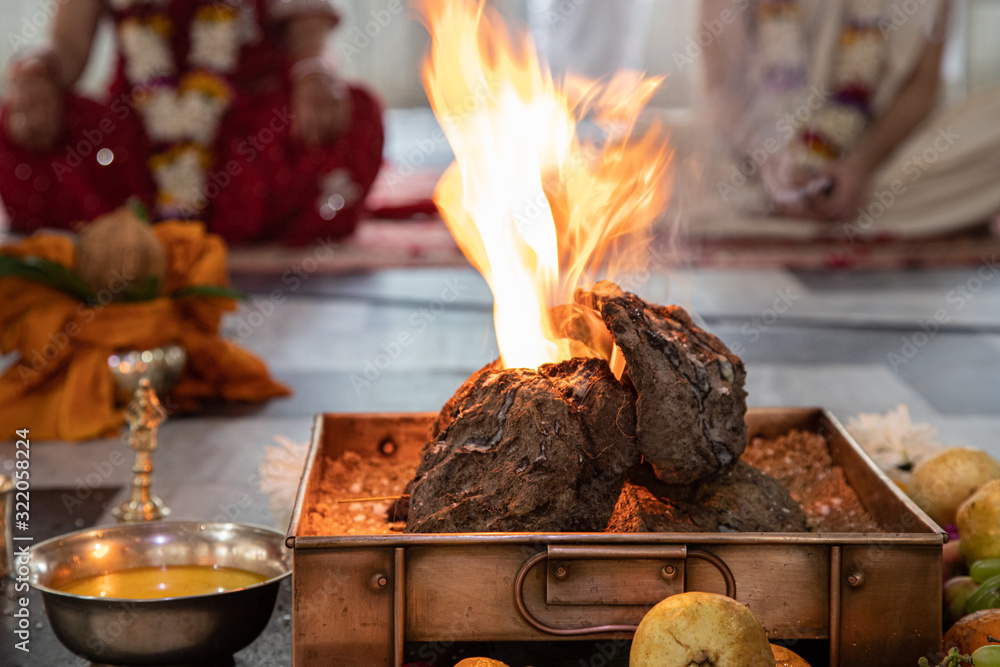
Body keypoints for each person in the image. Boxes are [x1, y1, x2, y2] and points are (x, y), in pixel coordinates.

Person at [0, 0, 385, 245]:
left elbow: (308, 39)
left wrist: (314, 74)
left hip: (252, 136)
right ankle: (198, 220)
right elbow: (67, 47)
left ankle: (144, 224)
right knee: (13, 127)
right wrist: (36, 73)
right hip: (137, 144)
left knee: (357, 116)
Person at [693, 0, 1000, 240]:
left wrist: (860, 165)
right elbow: (722, 84)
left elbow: (922, 86)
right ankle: (921, 213)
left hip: (884, 158)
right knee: (672, 154)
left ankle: (782, 210)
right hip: (752, 159)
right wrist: (770, 161)